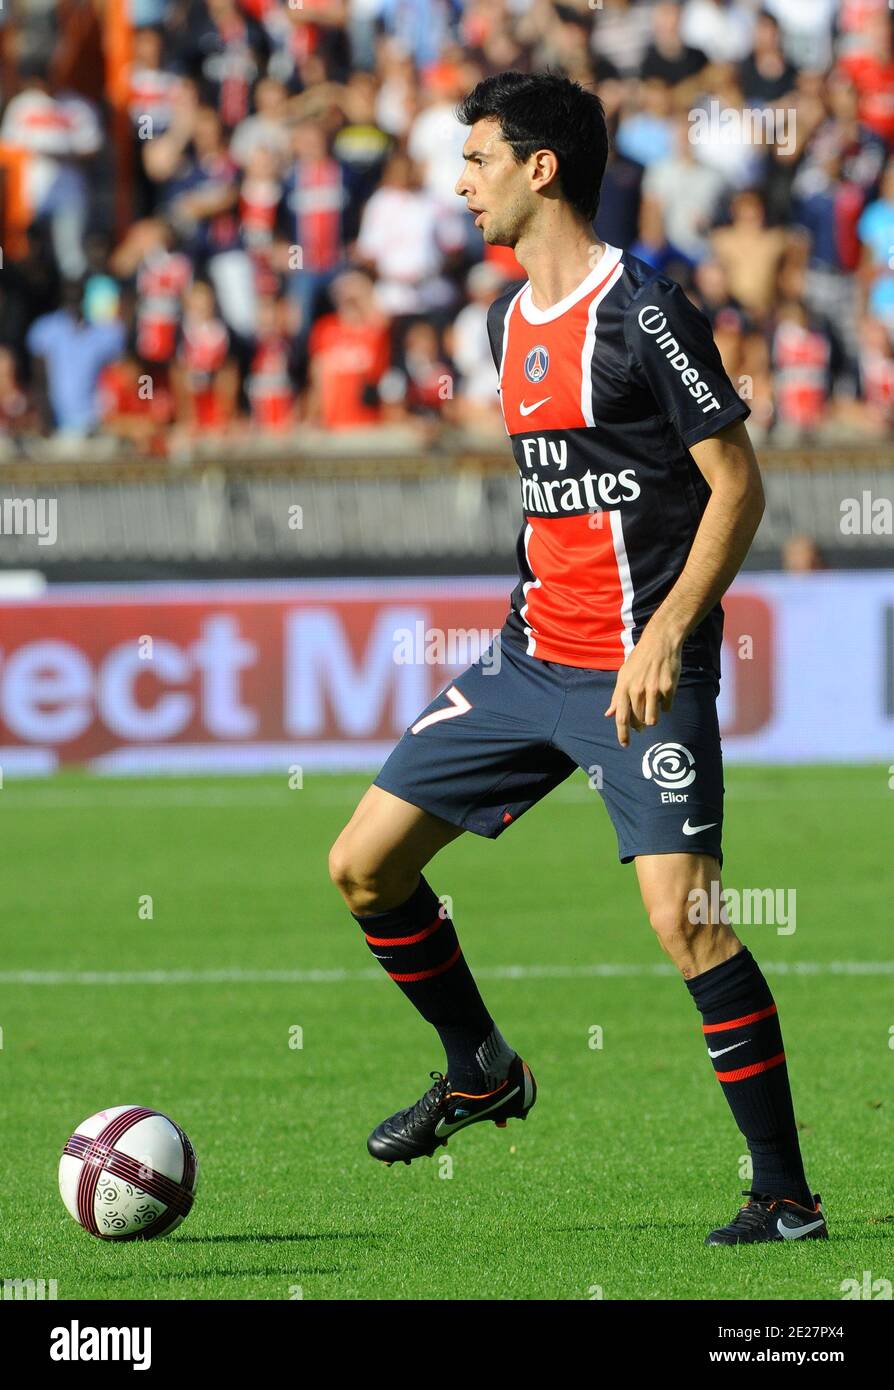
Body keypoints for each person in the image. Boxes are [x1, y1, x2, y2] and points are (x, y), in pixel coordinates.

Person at [329, 70, 827, 1248]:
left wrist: (666, 632)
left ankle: (787, 1197)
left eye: (478, 160)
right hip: (527, 662)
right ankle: (481, 1067)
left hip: (644, 674)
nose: (461, 184)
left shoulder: (646, 309)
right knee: (361, 867)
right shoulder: (506, 321)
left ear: (540, 167)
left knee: (689, 919)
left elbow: (739, 490)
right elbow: (563, 507)